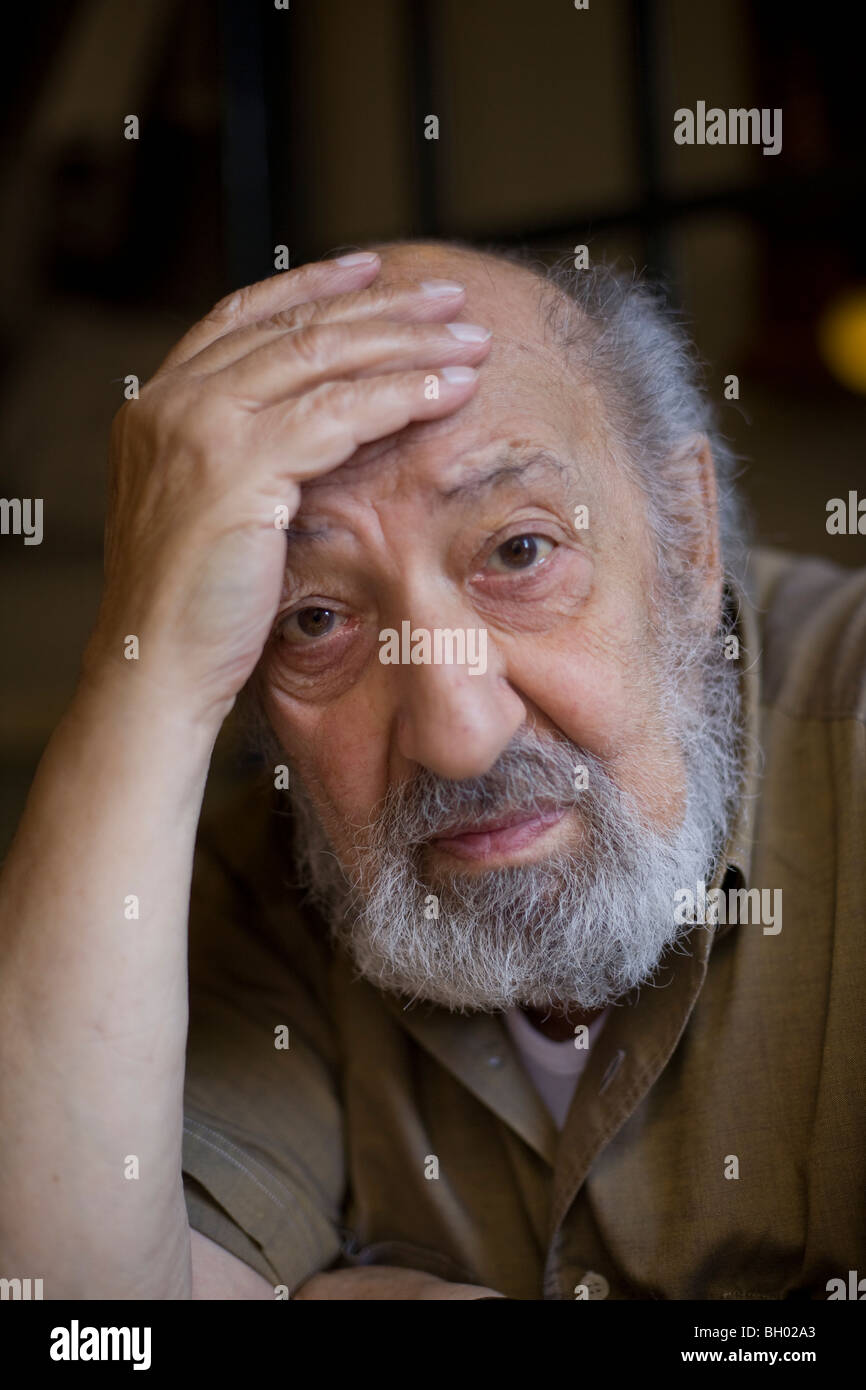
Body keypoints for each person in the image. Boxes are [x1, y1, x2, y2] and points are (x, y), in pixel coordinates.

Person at [0, 241, 863, 1300]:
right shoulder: (249, 884)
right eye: (315, 619)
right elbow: (84, 1325)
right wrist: (146, 674)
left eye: (517, 552)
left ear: (683, 540)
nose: (457, 736)